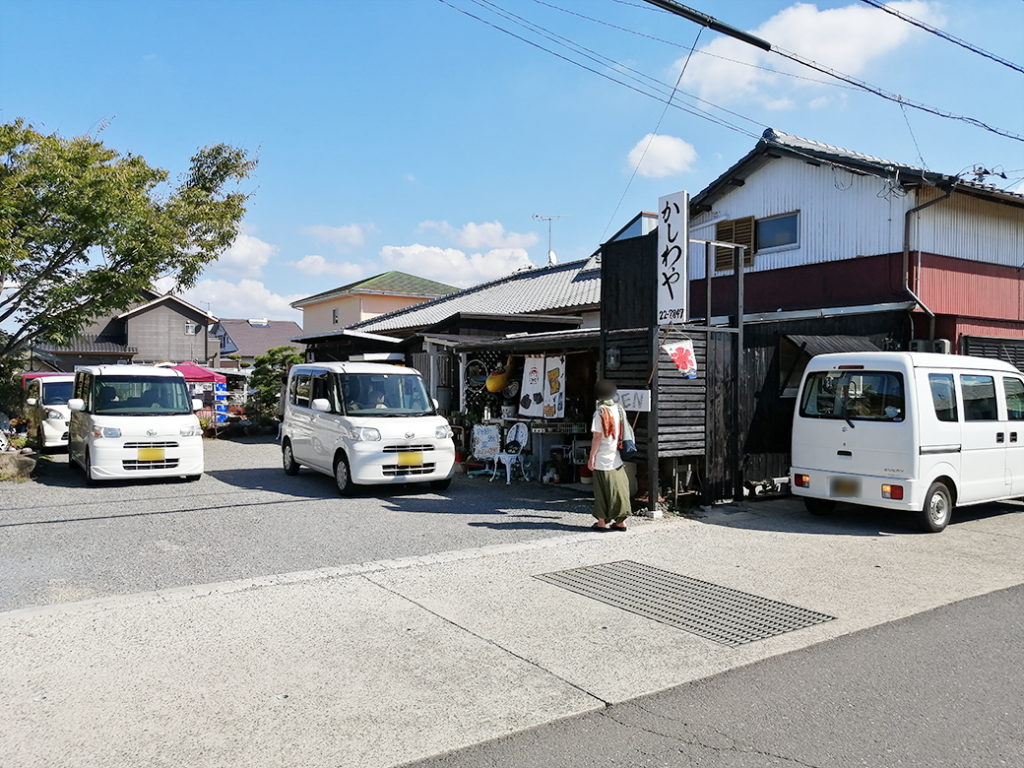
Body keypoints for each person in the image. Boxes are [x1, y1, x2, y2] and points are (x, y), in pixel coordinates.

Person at [587, 379, 631, 531]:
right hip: (616, 456)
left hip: (602, 458)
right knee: (619, 490)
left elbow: (597, 437)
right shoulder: (618, 409)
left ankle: (601, 522)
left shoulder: (600, 412)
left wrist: (591, 456)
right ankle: (620, 522)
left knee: (601, 491)